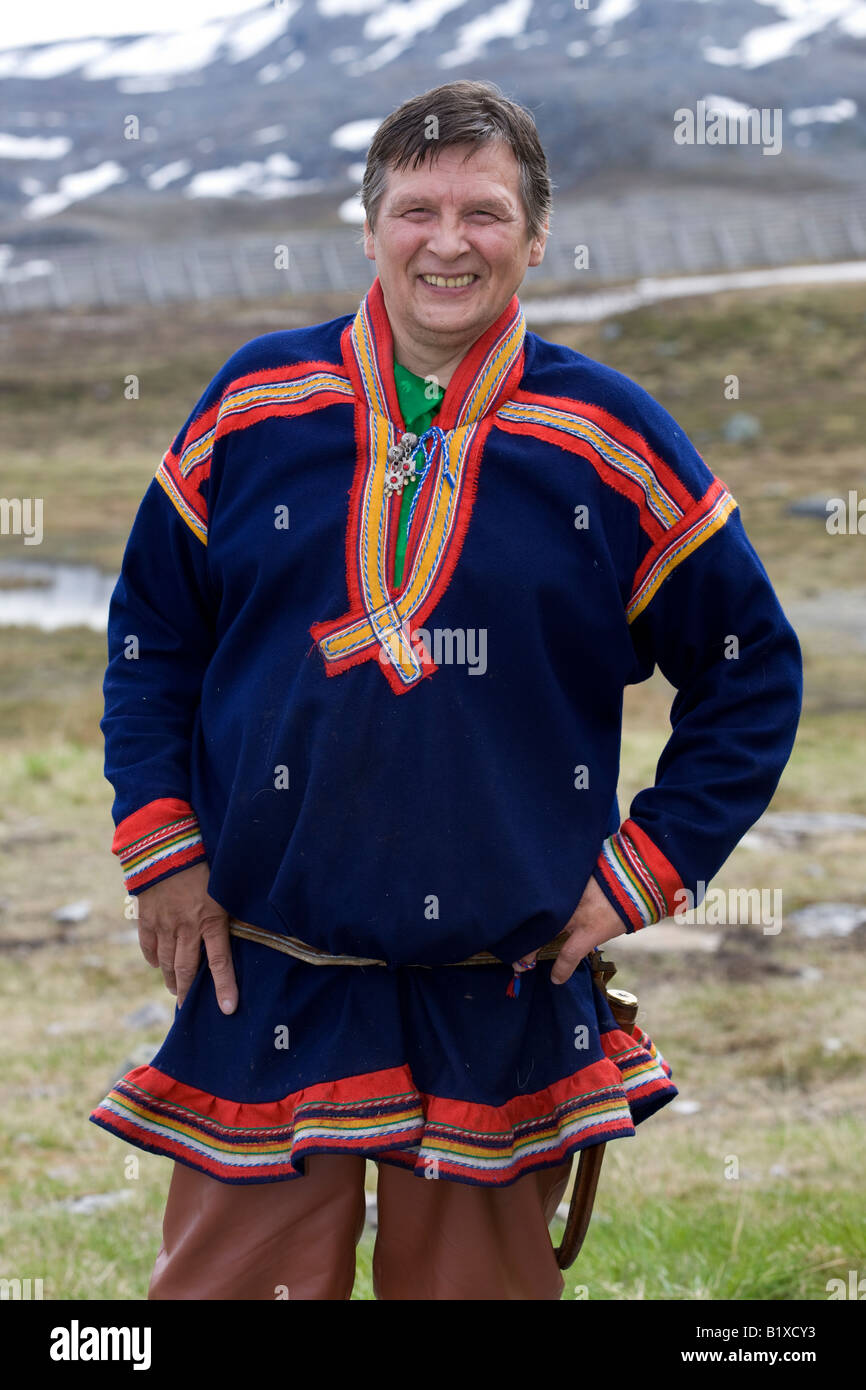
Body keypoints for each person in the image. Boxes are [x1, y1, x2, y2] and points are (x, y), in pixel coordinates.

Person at [89, 80, 802, 1301]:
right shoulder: (255, 405)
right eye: (416, 209)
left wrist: (642, 867)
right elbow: (154, 638)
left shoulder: (608, 440)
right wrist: (162, 850)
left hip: (500, 983)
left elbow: (750, 670)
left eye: (484, 211)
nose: (448, 241)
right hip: (264, 967)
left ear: (532, 239)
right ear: (369, 230)